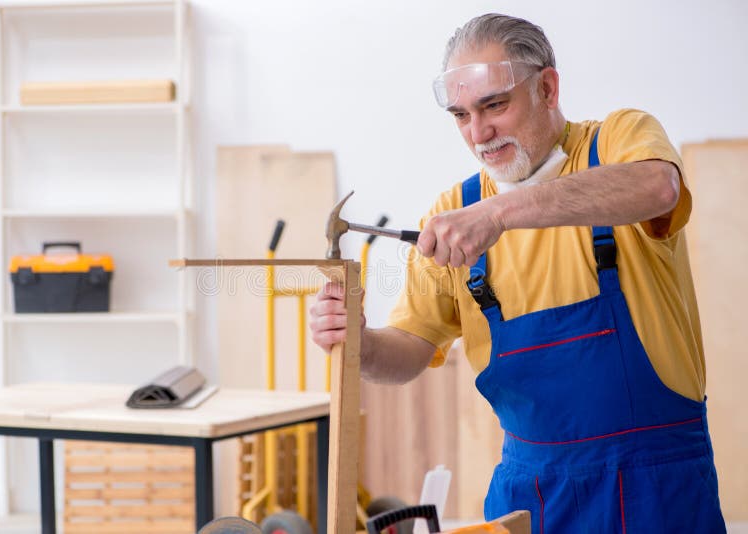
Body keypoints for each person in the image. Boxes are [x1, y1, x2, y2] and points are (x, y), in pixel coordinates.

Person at [310, 13, 727, 534]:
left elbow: (658, 188)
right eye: (460, 115)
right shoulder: (454, 211)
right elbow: (409, 348)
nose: (478, 133)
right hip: (529, 500)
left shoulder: (618, 141)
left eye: (495, 105)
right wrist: (360, 343)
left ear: (547, 88)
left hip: (656, 488)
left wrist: (501, 212)